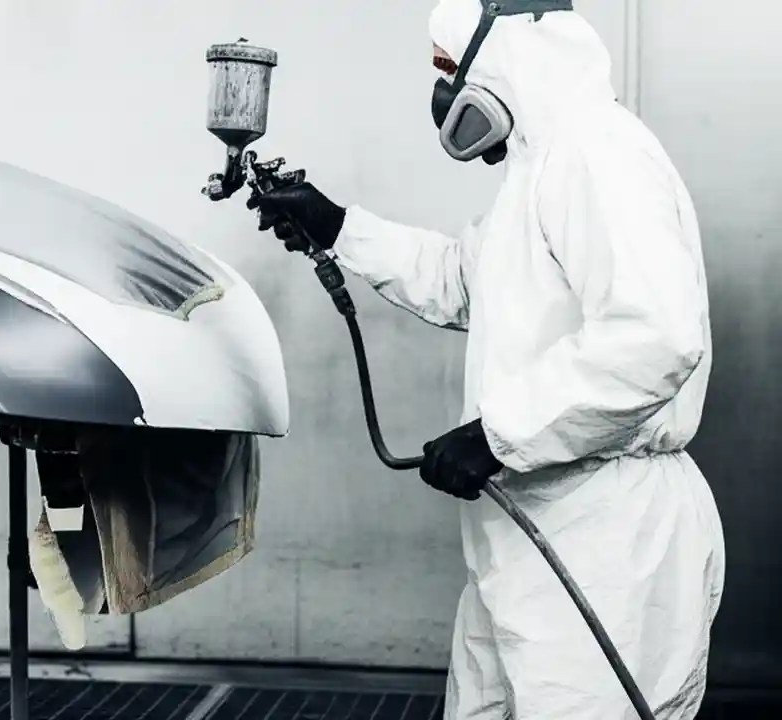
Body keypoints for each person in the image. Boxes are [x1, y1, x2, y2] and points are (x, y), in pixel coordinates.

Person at [250, 0, 726, 717]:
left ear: (502, 58)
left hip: (605, 549)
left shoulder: (597, 154)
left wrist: (498, 433)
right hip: (523, 542)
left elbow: (657, 335)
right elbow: (465, 282)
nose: (444, 94)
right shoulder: (539, 172)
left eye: (447, 69)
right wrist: (337, 225)